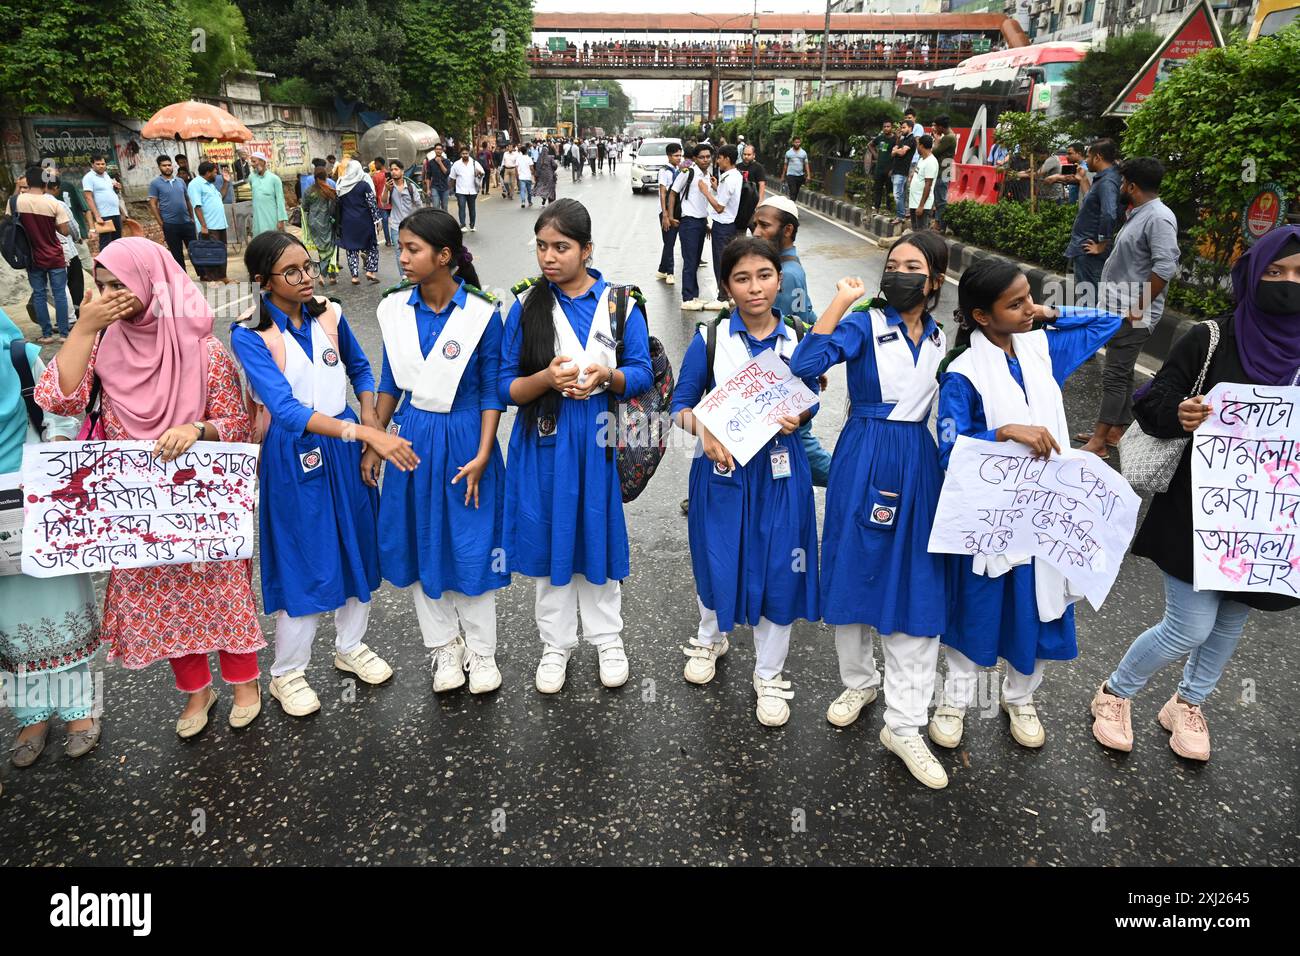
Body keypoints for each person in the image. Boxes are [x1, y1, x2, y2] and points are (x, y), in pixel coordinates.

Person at [36, 238, 266, 737]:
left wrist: (197, 430)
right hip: (133, 508)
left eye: (120, 285)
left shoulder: (202, 347)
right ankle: (196, 691)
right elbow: (57, 399)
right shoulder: (100, 344)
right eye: (102, 288)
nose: (111, 296)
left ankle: (245, 683)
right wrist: (83, 327)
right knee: (156, 595)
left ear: (152, 281)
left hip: (199, 502)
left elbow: (237, 424)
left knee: (220, 589)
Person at [1091, 226, 1300, 762]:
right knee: (1190, 624)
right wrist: (1180, 414)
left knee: (1231, 621)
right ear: (1252, 276)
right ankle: (1116, 691)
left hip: (1272, 520)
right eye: (1275, 272)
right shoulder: (1210, 338)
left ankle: (1188, 702)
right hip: (1198, 509)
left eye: (1299, 274)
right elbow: (1151, 402)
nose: (1287, 284)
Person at [932, 258, 1126, 752]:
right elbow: (949, 450)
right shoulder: (963, 373)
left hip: (1046, 516)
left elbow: (1108, 322)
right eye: (1014, 304)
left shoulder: (1041, 349)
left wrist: (1046, 311)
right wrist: (1002, 432)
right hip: (993, 520)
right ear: (979, 316)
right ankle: (956, 699)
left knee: (1040, 609)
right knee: (977, 611)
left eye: (1027, 299)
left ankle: (1020, 697)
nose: (1026, 310)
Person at [791, 233, 953, 788]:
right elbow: (804, 364)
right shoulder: (864, 324)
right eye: (893, 265)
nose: (900, 273)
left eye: (914, 266)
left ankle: (906, 723)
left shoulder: (940, 338)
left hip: (918, 462)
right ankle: (858, 680)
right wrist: (840, 301)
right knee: (855, 568)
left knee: (917, 582)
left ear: (934, 281)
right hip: (863, 455)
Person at [231, 233, 410, 716]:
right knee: (305, 560)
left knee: (357, 548)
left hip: (348, 445)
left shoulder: (329, 313)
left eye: (308, 267)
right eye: (292, 272)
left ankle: (349, 646)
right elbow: (286, 411)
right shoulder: (249, 334)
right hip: (295, 456)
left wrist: (371, 425)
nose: (306, 278)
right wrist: (363, 435)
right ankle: (286, 673)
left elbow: (361, 370)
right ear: (262, 281)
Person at [499, 199, 652, 694]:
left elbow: (643, 373)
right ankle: (555, 644)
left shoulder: (620, 303)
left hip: (599, 441)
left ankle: (608, 639)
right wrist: (545, 377)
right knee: (549, 542)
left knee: (598, 538)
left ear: (586, 249)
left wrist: (607, 376)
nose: (549, 257)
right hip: (544, 442)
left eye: (561, 247)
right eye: (542, 246)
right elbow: (506, 387)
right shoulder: (525, 306)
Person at [672, 237, 821, 727]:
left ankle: (769, 673)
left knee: (780, 566)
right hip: (722, 472)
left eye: (763, 275)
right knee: (717, 556)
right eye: (741, 278)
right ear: (727, 286)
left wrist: (801, 413)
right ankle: (710, 637)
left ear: (780, 279)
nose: (754, 287)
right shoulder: (710, 339)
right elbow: (679, 407)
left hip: (781, 473)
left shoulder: (799, 338)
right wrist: (706, 429)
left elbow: (812, 398)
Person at [368, 208, 510, 694]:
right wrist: (374, 438)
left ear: (444, 256)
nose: (401, 257)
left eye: (412, 249)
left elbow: (493, 389)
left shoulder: (482, 313)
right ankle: (444, 649)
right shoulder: (394, 309)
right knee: (422, 543)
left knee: (471, 546)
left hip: (468, 439)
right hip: (411, 441)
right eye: (400, 247)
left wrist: (486, 452)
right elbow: (389, 382)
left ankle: (482, 650)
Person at [2, 308, 103, 766]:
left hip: (34, 505)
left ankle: (79, 710)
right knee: (8, 623)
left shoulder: (20, 358)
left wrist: (56, 466)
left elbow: (60, 413)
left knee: (59, 608)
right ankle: (31, 715)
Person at [1077, 157, 1181, 459]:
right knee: (1119, 374)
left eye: (1123, 183)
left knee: (1113, 375)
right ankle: (1115, 431)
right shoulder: (1141, 213)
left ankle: (1098, 441)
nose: (1121, 187)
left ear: (1132, 186)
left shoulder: (1159, 218)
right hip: (1118, 309)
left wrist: (1138, 308)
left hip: (1132, 313)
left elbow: (1165, 268)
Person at [749, 195, 831, 487]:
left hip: (783, 376)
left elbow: (790, 327)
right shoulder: (787, 267)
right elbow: (810, 316)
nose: (756, 232)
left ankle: (852, 484)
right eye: (754, 225)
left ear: (788, 230)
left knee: (803, 445)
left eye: (764, 225)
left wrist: (811, 363)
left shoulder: (788, 274)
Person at [15, 164, 73, 343]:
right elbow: (64, 231)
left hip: (32, 256)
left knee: (39, 294)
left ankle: (46, 334)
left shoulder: (17, 202)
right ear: (44, 183)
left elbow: (12, 225)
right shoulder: (53, 203)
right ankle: (64, 334)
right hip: (54, 255)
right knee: (59, 294)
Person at [1063, 139, 1120, 310]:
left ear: (1098, 157)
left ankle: (1092, 334)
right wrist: (1082, 180)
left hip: (1090, 251)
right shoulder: (1104, 179)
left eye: (1088, 156)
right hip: (1086, 247)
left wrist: (1102, 244)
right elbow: (1093, 202)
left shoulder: (1108, 182)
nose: (1086, 160)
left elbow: (1109, 213)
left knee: (1091, 301)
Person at [699, 144, 743, 311]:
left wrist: (706, 191)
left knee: (720, 262)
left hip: (723, 225)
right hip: (730, 225)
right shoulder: (735, 176)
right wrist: (717, 188)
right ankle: (729, 294)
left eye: (719, 158)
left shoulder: (728, 178)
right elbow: (727, 197)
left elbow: (719, 207)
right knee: (729, 262)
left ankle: (722, 297)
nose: (717, 161)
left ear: (727, 159)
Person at [672, 144, 715, 311]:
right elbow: (673, 192)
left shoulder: (707, 176)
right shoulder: (688, 172)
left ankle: (694, 296)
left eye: (708, 157)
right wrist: (669, 216)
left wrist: (706, 223)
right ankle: (687, 298)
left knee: (696, 260)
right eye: (702, 157)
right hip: (688, 222)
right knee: (689, 261)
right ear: (695, 158)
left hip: (700, 222)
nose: (705, 160)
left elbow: (702, 202)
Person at [336, 159, 381, 284]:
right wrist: (377, 220)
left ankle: (354, 276)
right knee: (372, 246)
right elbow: (372, 203)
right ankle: (370, 271)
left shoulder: (341, 185)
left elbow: (338, 205)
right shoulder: (363, 185)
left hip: (347, 222)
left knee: (351, 250)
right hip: (364, 221)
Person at [148, 155, 195, 269]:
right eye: (164, 166)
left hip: (186, 222)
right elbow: (153, 204)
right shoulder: (155, 183)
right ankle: (182, 277)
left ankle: (203, 275)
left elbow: (187, 200)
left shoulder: (180, 182)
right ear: (159, 167)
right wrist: (161, 223)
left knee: (195, 250)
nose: (167, 168)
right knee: (176, 254)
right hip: (170, 224)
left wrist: (192, 218)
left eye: (169, 165)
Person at [187, 161, 230, 282]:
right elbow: (197, 206)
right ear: (208, 173)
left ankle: (223, 276)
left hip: (220, 224)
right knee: (210, 253)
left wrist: (226, 183)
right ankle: (212, 279)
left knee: (221, 251)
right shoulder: (195, 184)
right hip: (209, 226)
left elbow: (221, 197)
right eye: (215, 173)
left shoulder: (210, 185)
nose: (216, 175)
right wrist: (203, 226)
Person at [301, 167, 340, 284]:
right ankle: (328, 276)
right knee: (331, 249)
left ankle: (325, 276)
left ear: (315, 177)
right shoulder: (330, 190)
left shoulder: (308, 191)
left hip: (314, 224)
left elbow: (304, 207)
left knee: (321, 250)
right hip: (328, 222)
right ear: (325, 177)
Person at [383, 159, 424, 269]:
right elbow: (383, 202)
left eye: (396, 169)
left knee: (413, 249)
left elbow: (419, 205)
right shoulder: (389, 187)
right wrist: (386, 190)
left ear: (402, 171)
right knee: (399, 251)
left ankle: (414, 270)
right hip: (395, 225)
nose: (393, 172)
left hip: (411, 225)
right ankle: (404, 277)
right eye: (391, 170)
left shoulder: (411, 187)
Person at [655, 142, 685, 285]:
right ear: (668, 156)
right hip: (667, 211)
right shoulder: (664, 171)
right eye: (675, 155)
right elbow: (662, 193)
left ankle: (662, 269)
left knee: (669, 241)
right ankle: (670, 272)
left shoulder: (682, 170)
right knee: (670, 242)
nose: (678, 158)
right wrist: (665, 215)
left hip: (679, 210)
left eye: (680, 155)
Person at [81, 153, 123, 249]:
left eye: (103, 164)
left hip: (115, 213)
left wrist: (117, 188)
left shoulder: (107, 175)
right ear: (92, 165)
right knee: (105, 243)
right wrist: (97, 215)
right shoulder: (88, 177)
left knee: (117, 241)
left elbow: (111, 193)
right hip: (104, 215)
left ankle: (117, 262)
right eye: (98, 164)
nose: (101, 166)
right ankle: (103, 264)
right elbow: (88, 197)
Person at [249, 152, 288, 238]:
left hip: (271, 218)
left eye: (254, 162)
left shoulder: (275, 179)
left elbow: (280, 200)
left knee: (272, 243)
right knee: (259, 242)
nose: (252, 164)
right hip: (257, 218)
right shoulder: (251, 177)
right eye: (251, 162)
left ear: (263, 162)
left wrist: (281, 220)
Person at [449, 146, 484, 233]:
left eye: (466, 153)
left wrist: (479, 173)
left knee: (472, 208)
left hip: (472, 190)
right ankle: (463, 225)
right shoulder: (456, 164)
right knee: (461, 207)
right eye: (463, 154)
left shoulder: (474, 163)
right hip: (460, 190)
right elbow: (452, 178)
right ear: (461, 154)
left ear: (469, 154)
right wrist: (451, 190)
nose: (465, 155)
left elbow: (482, 173)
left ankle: (472, 225)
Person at [907, 134, 939, 232]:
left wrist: (921, 206)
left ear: (921, 146)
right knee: (915, 232)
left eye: (917, 145)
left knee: (922, 233)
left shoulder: (931, 162)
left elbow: (928, 185)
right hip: (914, 202)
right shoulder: (922, 159)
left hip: (922, 206)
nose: (916, 147)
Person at [930, 116, 957, 229]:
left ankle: (940, 225)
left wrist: (936, 140)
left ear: (941, 127)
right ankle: (938, 222)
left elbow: (935, 152)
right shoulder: (949, 136)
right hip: (944, 170)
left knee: (940, 200)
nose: (935, 128)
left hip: (943, 171)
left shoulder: (948, 138)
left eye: (936, 126)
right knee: (938, 198)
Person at [889, 120, 916, 224]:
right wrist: (896, 151)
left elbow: (902, 152)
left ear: (910, 128)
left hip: (902, 171)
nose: (901, 129)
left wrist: (896, 151)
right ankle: (901, 215)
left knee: (897, 194)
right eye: (901, 127)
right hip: (896, 170)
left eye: (904, 127)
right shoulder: (902, 139)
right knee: (900, 194)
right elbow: (892, 153)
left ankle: (900, 216)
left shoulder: (911, 139)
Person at [870, 120, 895, 213]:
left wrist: (893, 169)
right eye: (884, 127)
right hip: (879, 168)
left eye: (888, 126)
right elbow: (870, 145)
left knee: (889, 190)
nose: (886, 128)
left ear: (891, 127)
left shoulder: (895, 139)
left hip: (889, 169)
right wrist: (875, 155)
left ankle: (889, 209)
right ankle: (876, 208)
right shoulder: (880, 138)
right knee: (877, 189)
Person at [782, 136, 810, 203]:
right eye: (796, 142)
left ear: (800, 143)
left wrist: (808, 175)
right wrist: (783, 175)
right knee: (793, 191)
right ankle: (791, 206)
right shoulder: (788, 153)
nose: (797, 144)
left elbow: (806, 164)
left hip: (800, 175)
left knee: (796, 192)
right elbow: (785, 165)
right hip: (790, 175)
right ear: (793, 143)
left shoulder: (803, 153)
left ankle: (792, 203)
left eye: (798, 142)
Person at [371, 157, 391, 246]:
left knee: (385, 223)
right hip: (391, 202)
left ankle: (388, 241)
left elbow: (374, 191)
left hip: (381, 202)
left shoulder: (376, 176)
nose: (375, 166)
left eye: (375, 163)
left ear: (379, 163)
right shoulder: (390, 174)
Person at [425, 143, 450, 211]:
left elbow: (446, 173)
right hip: (435, 187)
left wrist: (440, 163)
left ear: (442, 151)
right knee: (436, 207)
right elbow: (428, 176)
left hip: (445, 188)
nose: (438, 151)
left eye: (440, 149)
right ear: (434, 150)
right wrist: (428, 189)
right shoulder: (431, 162)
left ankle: (444, 221)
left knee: (445, 207)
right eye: (437, 149)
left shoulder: (447, 161)